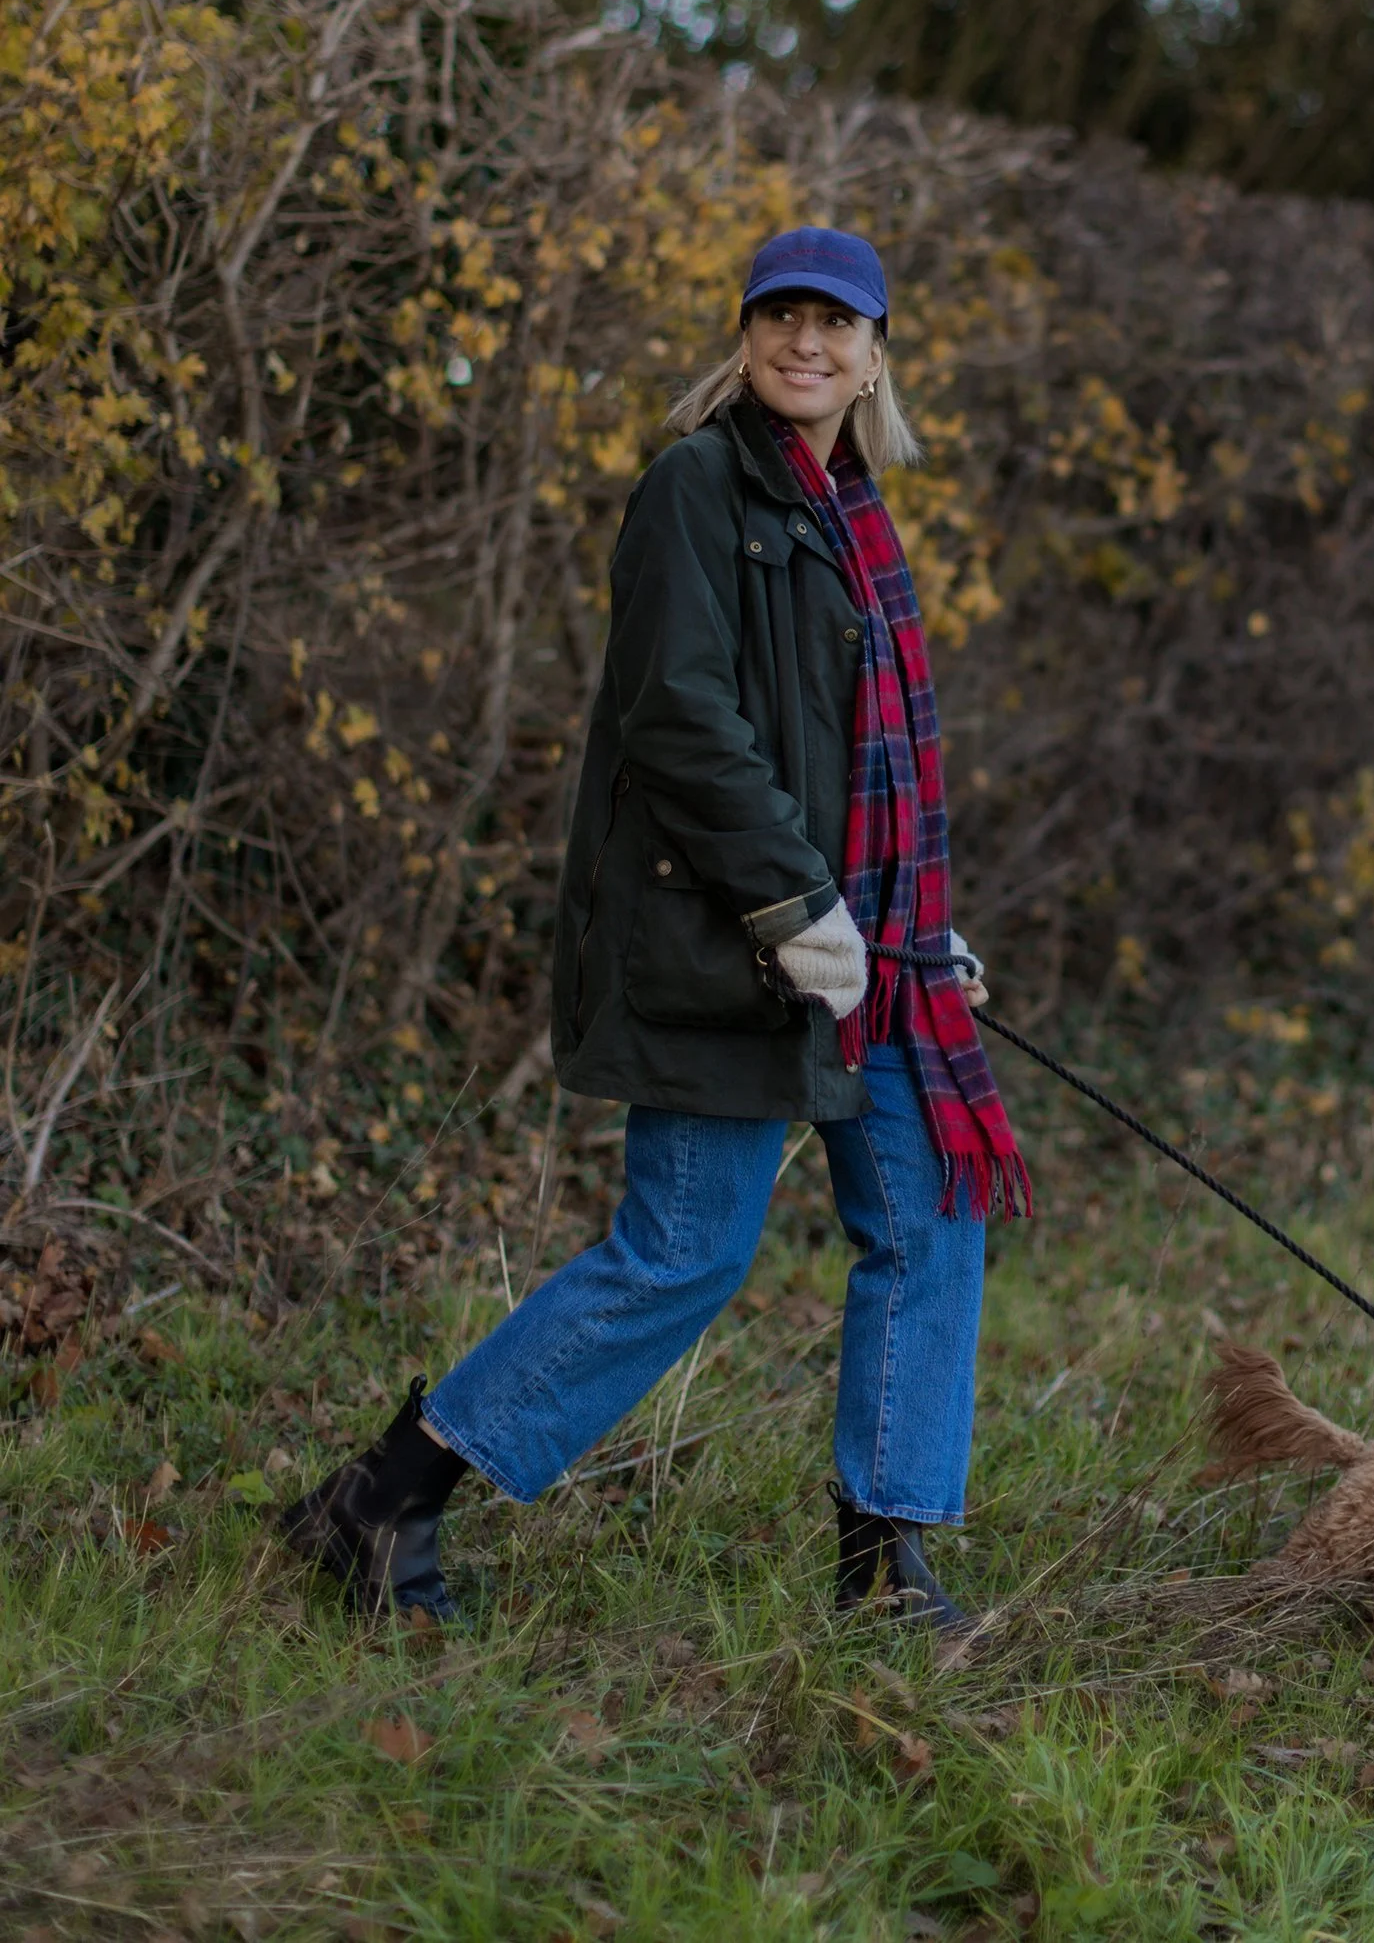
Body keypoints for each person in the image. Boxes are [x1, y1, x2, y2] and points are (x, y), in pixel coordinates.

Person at [278, 225, 1029, 1632]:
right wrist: (796, 905)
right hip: (724, 944)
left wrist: (916, 931)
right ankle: (380, 1500)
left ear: (876, 357)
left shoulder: (849, 516)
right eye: (780, 315)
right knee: (683, 1251)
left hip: (862, 953)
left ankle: (883, 1563)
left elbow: (857, 763)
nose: (807, 342)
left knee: (934, 1210)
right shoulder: (697, 487)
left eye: (837, 323)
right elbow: (679, 718)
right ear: (744, 337)